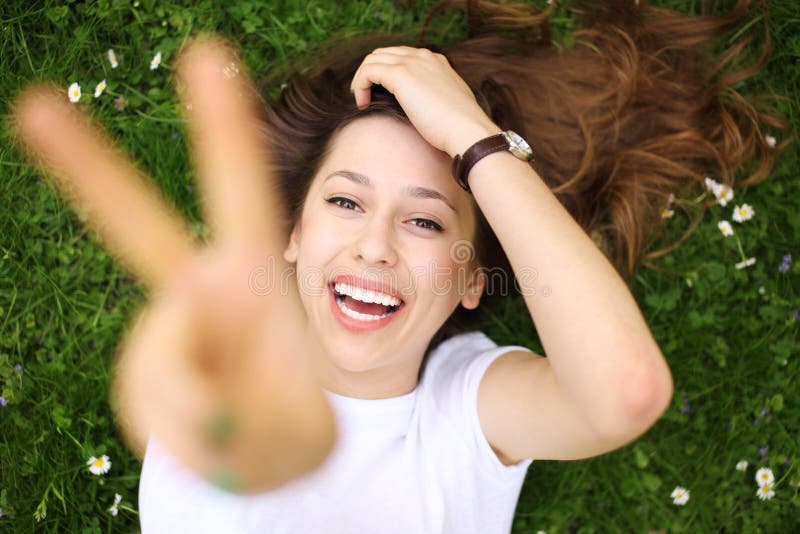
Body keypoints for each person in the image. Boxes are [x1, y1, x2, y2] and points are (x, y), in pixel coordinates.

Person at [11, 1, 787, 532]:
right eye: (345, 203)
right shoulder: (226, 369)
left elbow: (626, 393)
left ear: (475, 275)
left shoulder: (464, 410)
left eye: (424, 220)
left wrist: (478, 143)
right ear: (292, 234)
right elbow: (174, 401)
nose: (376, 246)